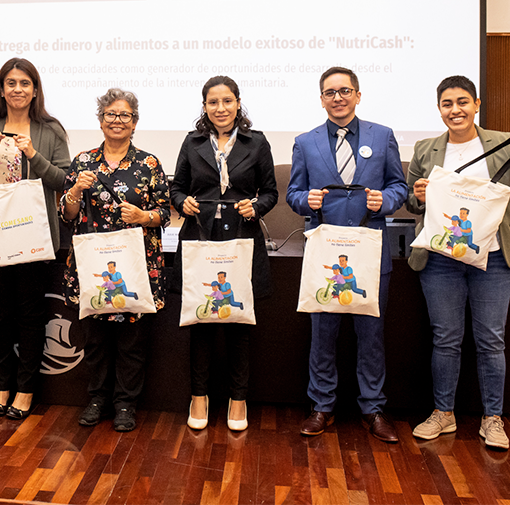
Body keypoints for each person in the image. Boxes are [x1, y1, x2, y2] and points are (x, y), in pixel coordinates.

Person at [407, 75, 510, 450]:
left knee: (491, 340)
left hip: (494, 258)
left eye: (462, 102)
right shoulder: (426, 148)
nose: (455, 110)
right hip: (442, 259)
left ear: (476, 105)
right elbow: (415, 204)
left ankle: (492, 418)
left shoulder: (502, 143)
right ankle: (443, 414)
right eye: (447, 103)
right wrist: (418, 195)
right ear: (439, 109)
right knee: (445, 339)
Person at [287, 66, 408, 442]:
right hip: (325, 250)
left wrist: (384, 200)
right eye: (329, 92)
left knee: (370, 335)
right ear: (321, 98)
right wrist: (305, 200)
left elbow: (398, 187)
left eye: (344, 91)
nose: (337, 98)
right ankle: (322, 406)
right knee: (323, 334)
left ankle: (373, 408)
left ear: (357, 94)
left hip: (370, 250)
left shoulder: (382, 135)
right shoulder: (305, 142)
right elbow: (293, 194)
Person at [0, 57, 70, 420]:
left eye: (25, 83)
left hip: (34, 238)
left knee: (31, 317)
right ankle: (1, 387)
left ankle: (25, 391)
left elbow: (63, 182)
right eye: (11, 83)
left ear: (35, 89)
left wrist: (33, 154)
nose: (17, 89)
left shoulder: (49, 130)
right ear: (1, 89)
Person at [171, 75, 277, 432]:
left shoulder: (257, 143)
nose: (220, 108)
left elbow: (271, 193)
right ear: (205, 107)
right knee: (199, 322)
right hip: (201, 236)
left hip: (242, 239)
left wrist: (256, 206)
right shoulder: (192, 142)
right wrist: (181, 202)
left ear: (238, 103)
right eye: (213, 102)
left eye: (227, 101)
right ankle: (198, 396)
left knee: (238, 324)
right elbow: (177, 189)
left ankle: (238, 398)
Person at [61, 88, 170, 432]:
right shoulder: (82, 161)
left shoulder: (149, 163)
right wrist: (76, 190)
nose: (117, 121)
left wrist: (143, 216)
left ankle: (125, 404)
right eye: (111, 114)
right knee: (95, 338)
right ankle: (97, 399)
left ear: (135, 122)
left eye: (125, 115)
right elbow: (67, 213)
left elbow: (165, 213)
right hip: (93, 264)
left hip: (135, 264)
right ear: (100, 120)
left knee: (131, 342)